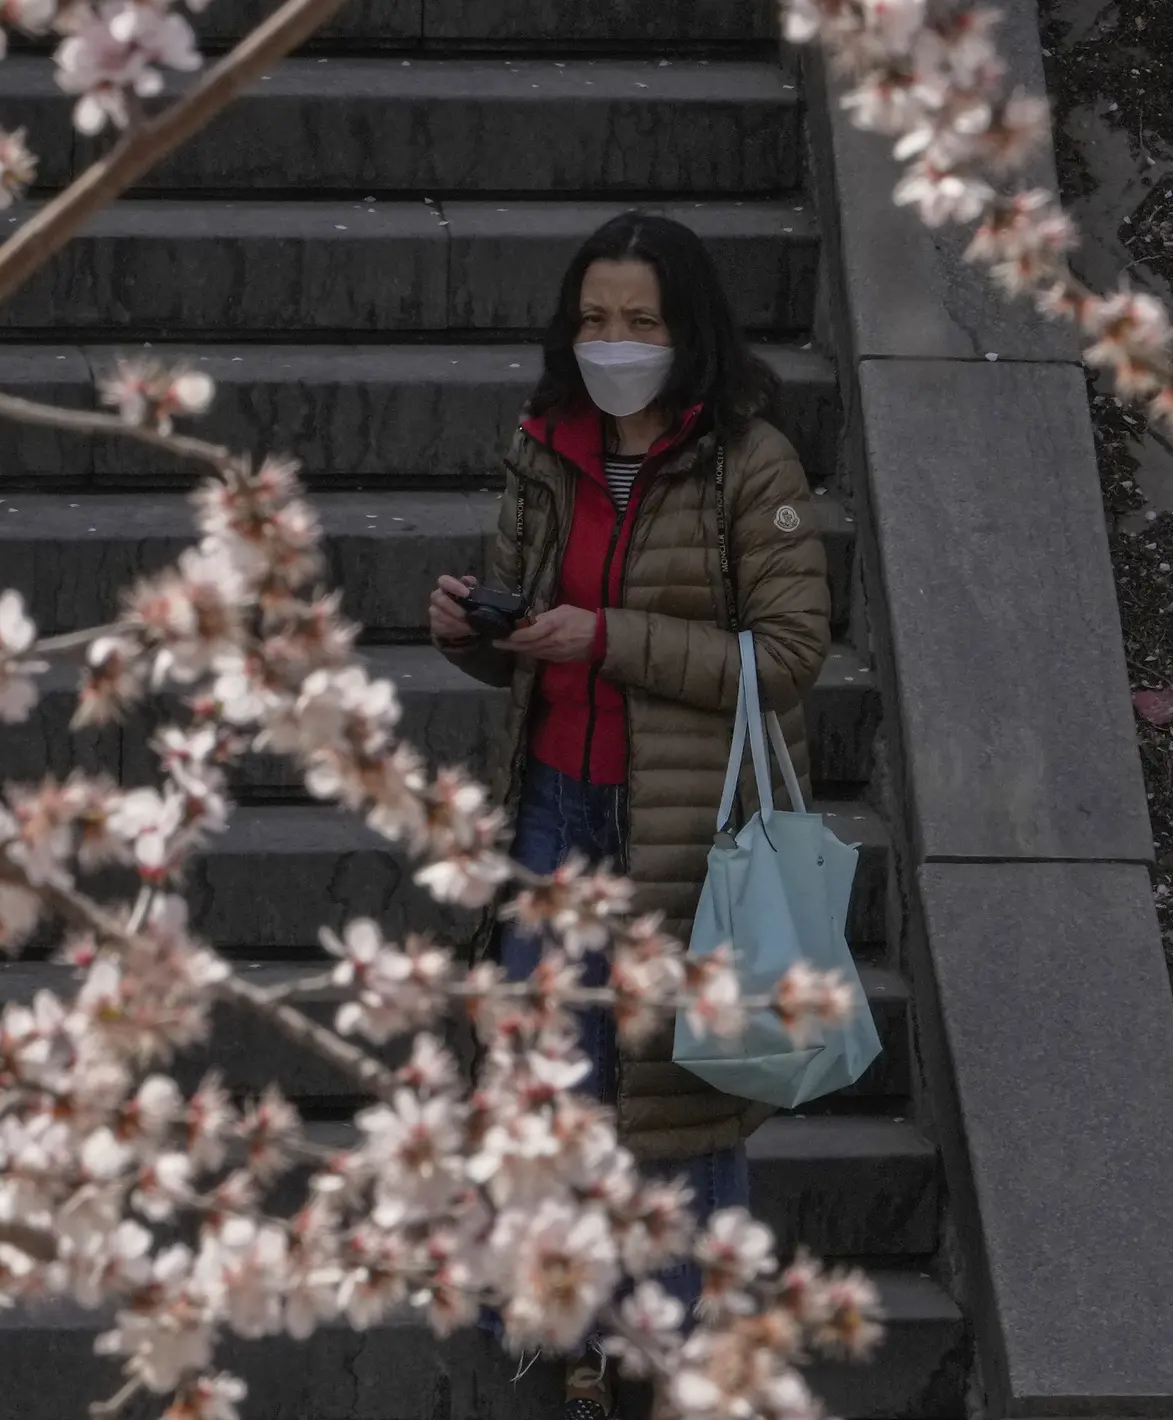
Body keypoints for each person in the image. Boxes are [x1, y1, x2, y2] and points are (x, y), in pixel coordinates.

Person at [426, 211, 831, 1418]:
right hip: (551, 805)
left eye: (638, 320)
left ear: (684, 329)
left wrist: (607, 641)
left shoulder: (746, 463)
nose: (612, 342)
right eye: (593, 319)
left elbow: (793, 650)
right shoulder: (542, 446)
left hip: (684, 821)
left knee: (677, 1088)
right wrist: (471, 632)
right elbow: (525, 646)